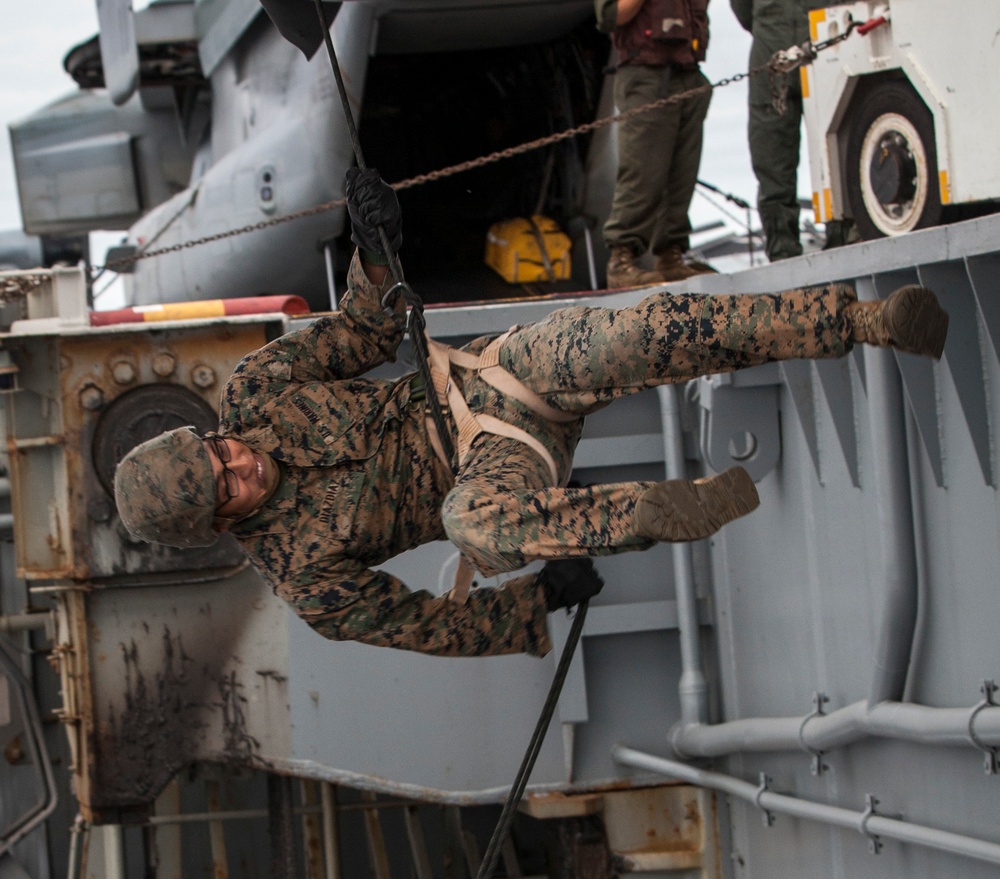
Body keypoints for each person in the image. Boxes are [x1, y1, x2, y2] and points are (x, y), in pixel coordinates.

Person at [114, 169, 948, 660]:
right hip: (496, 479)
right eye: (227, 486)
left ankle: (870, 321)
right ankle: (655, 509)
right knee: (469, 522)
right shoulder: (307, 582)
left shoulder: (261, 388)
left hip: (493, 381)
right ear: (221, 523)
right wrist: (534, 604)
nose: (242, 463)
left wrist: (374, 244)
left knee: (649, 332)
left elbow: (368, 326)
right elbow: (425, 626)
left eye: (222, 450)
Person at [596, 0, 715, 289]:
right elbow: (609, 16)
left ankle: (671, 255)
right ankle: (621, 260)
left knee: (682, 174)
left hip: (687, 72)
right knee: (643, 170)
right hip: (645, 74)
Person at [731, 0, 844, 261]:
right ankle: (782, 250)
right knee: (771, 157)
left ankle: (843, 237)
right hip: (771, 56)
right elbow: (741, 7)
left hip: (829, 44)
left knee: (836, 150)